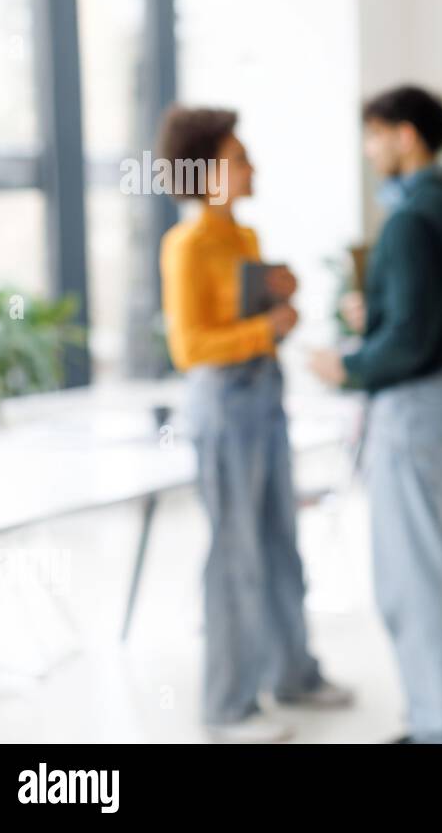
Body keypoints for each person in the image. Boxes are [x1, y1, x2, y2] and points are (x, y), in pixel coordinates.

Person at [158, 105, 353, 743]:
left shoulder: (240, 237)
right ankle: (228, 707)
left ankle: (293, 673)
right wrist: (263, 327)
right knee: (235, 552)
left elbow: (247, 317)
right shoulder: (185, 245)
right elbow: (189, 349)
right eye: (239, 157)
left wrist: (280, 295)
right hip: (225, 405)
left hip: (264, 396)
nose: (251, 167)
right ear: (205, 170)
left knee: (278, 543)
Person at [309, 85, 442, 743]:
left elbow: (408, 341)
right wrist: (379, 313)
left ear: (405, 135)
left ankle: (435, 722)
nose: (369, 150)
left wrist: (347, 365)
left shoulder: (411, 216)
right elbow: (433, 310)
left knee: (411, 574)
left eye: (374, 135)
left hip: (411, 407)